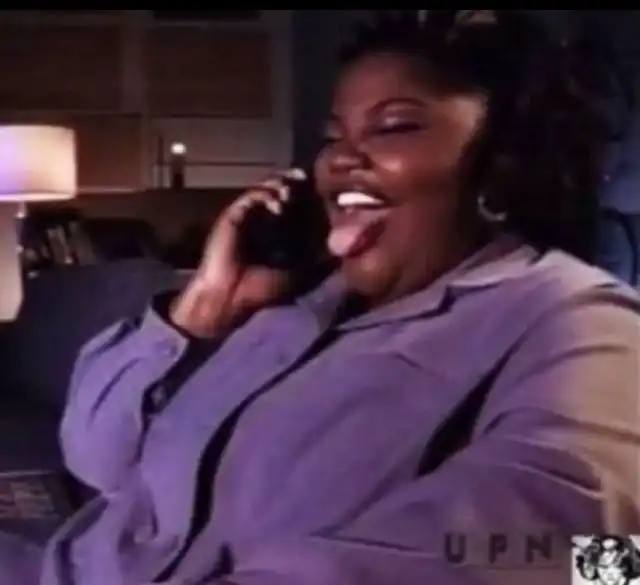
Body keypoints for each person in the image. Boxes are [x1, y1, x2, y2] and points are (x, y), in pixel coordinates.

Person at [5, 10, 639, 585]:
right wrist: (201, 310)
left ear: (504, 163)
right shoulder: (291, 304)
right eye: (334, 135)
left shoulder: (576, 319)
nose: (341, 160)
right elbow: (93, 457)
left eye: (394, 127)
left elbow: (601, 554)